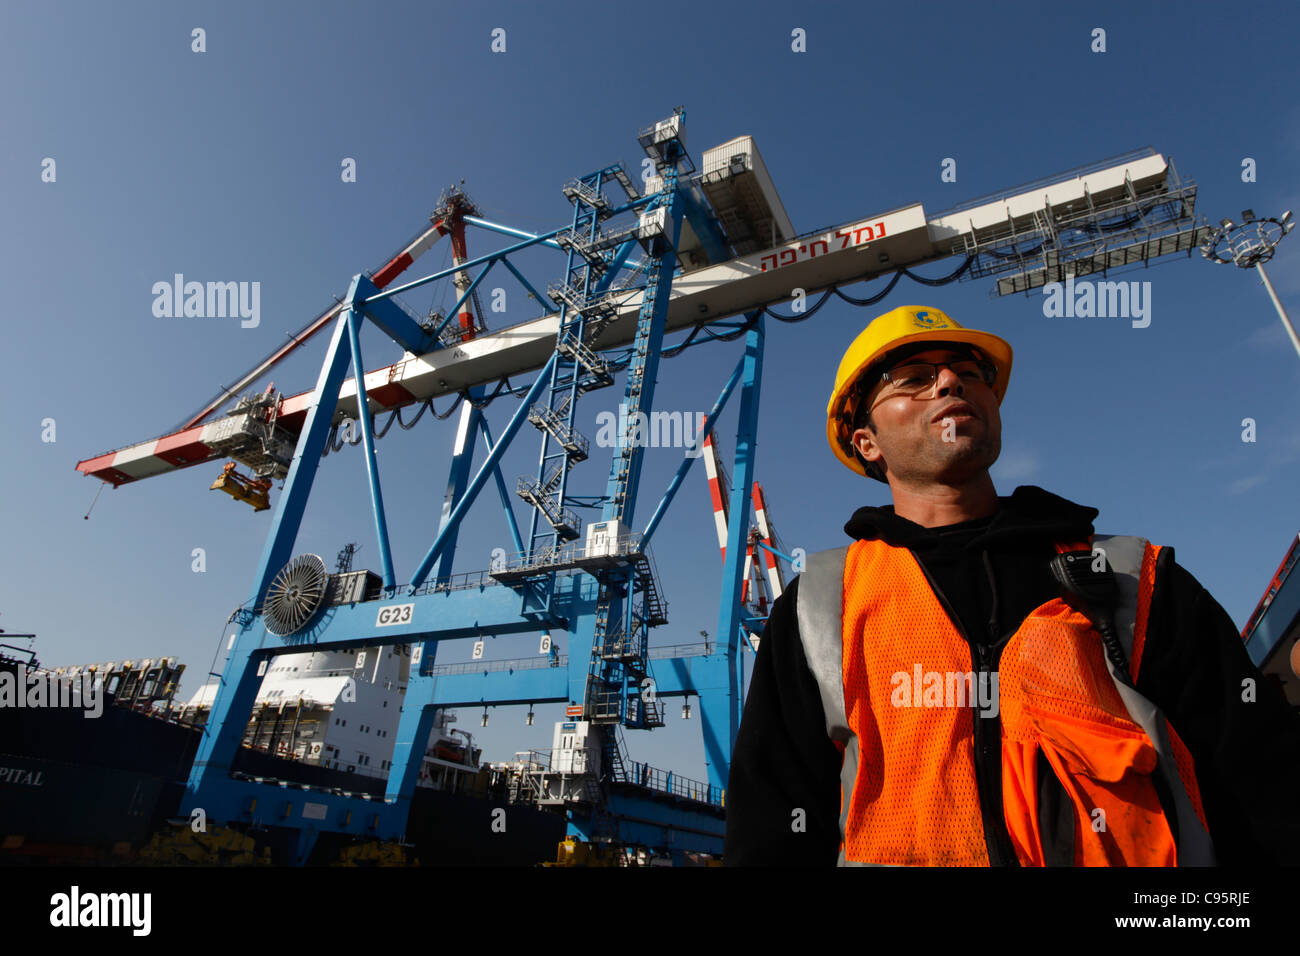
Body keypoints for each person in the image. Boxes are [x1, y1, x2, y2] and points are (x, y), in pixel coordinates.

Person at [724, 304, 1300, 866]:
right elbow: (773, 822)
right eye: (915, 378)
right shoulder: (822, 605)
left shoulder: (1131, 576)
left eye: (968, 373)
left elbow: (1258, 784)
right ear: (866, 441)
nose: (951, 381)